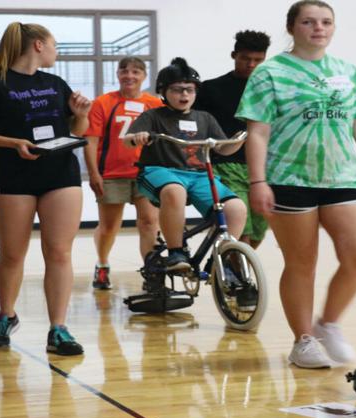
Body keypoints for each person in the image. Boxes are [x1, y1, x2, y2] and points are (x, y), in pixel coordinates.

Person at [238, 1, 356, 369]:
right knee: (302, 262)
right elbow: (258, 132)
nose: (318, 28)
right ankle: (303, 340)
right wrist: (258, 181)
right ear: (292, 27)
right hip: (289, 178)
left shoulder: (348, 71)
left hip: (340, 178)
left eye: (325, 22)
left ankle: (329, 322)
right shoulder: (270, 73)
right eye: (308, 22)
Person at [0, 21, 92, 356]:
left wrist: (80, 115)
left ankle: (58, 328)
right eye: (54, 44)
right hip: (14, 176)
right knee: (13, 253)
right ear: (37, 45)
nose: (55, 51)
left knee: (59, 252)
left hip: (61, 174)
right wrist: (12, 142)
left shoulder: (55, 83)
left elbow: (78, 130)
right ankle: (6, 315)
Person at [122, 58, 248, 273]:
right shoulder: (153, 116)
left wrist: (241, 138)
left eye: (190, 90)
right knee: (174, 191)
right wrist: (139, 136)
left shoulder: (204, 118)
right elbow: (128, 139)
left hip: (198, 175)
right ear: (163, 91)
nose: (185, 95)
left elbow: (223, 148)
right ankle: (176, 251)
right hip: (159, 171)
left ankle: (223, 259)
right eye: (177, 90)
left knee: (236, 208)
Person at [83, 55, 162, 290]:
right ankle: (102, 264)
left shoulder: (155, 105)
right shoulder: (103, 103)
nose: (130, 76)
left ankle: (151, 274)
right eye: (124, 71)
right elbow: (91, 141)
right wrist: (94, 173)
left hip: (146, 173)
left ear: (144, 76)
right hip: (111, 174)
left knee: (149, 222)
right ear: (117, 75)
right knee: (109, 227)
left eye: (136, 72)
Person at [194, 29, 272, 250]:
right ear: (234, 55)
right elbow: (198, 128)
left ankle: (236, 264)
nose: (251, 64)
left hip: (262, 167)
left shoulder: (269, 90)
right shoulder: (211, 88)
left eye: (258, 60)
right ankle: (241, 278)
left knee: (258, 229)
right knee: (241, 228)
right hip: (225, 165)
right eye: (246, 58)